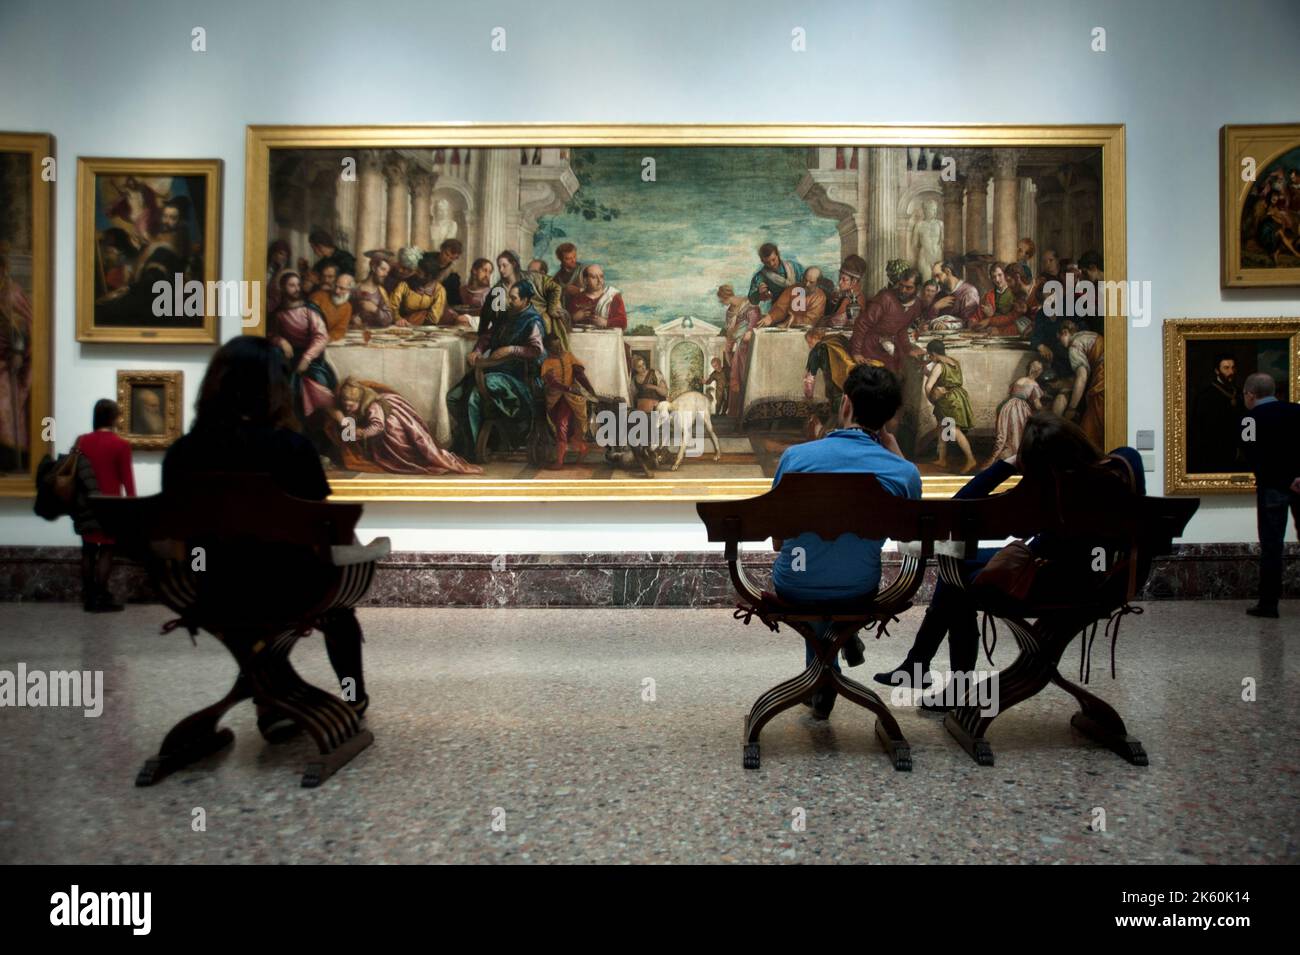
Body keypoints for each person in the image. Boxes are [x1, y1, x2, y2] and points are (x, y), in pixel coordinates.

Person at [162, 336, 370, 731]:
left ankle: (268, 697)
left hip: (208, 590)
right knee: (338, 609)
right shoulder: (291, 449)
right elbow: (323, 527)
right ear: (275, 388)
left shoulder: (184, 453)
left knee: (247, 612)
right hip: (292, 588)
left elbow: (178, 533)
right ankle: (351, 695)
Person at [875, 412, 1146, 698]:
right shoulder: (1123, 463)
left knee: (956, 577)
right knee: (955, 566)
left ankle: (934, 673)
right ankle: (922, 665)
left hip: (1053, 580)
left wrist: (1008, 464)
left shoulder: (1042, 492)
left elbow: (959, 506)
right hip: (1099, 579)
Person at [771, 364, 922, 717]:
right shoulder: (903, 473)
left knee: (813, 569)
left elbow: (779, 541)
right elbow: (909, 533)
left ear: (845, 404)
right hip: (859, 587)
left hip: (797, 583)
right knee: (840, 575)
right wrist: (896, 454)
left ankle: (823, 678)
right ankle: (839, 646)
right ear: (888, 418)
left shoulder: (796, 458)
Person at [446, 280, 546, 461]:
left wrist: (511, 350)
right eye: (509, 297)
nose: (509, 301)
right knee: (453, 397)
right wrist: (477, 351)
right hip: (493, 370)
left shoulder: (533, 321)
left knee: (475, 397)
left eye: (513, 298)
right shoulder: (506, 315)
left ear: (525, 300)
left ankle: (475, 449)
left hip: (518, 376)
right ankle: (470, 442)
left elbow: (536, 351)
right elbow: (487, 336)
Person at [328, 377, 483, 476]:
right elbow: (347, 431)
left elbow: (378, 426)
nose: (348, 409)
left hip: (391, 432)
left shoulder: (373, 407)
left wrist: (362, 433)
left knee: (405, 456)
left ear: (360, 400)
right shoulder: (356, 408)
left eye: (351, 406)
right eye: (345, 406)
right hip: (385, 425)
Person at [1239, 372, 1300, 618]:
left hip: (1272, 487)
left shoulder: (1249, 420)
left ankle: (1268, 603)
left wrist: (1285, 479)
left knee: (1271, 546)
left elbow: (1250, 455)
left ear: (1251, 395)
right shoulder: (1297, 411)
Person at [75, 399, 136, 613]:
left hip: (84, 504)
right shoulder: (121, 445)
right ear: (113, 418)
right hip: (110, 506)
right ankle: (101, 597)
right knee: (107, 550)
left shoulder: (81, 441)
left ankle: (88, 596)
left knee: (88, 550)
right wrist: (132, 509)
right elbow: (128, 482)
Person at [540, 332, 596, 468]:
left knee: (563, 424)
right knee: (563, 425)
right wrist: (569, 389)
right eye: (554, 347)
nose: (558, 349)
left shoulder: (569, 356)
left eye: (559, 345)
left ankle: (559, 461)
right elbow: (552, 383)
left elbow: (579, 374)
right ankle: (582, 449)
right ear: (548, 349)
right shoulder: (547, 363)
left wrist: (590, 390)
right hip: (555, 398)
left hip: (572, 399)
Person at [922, 338, 977, 473]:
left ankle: (971, 459)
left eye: (930, 355)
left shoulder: (939, 366)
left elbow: (928, 386)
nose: (930, 358)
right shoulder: (954, 362)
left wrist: (932, 400)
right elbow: (947, 378)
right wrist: (928, 372)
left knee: (953, 429)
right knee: (943, 428)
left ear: (933, 354)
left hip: (948, 401)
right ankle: (942, 459)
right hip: (958, 396)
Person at [1190, 354, 1242, 473]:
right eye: (1226, 368)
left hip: (1237, 454)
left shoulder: (1240, 393)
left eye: (1233, 368)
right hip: (1213, 454)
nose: (1231, 371)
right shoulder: (1205, 396)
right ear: (1217, 370)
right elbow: (1199, 430)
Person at [987, 359, 1044, 465]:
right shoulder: (1034, 384)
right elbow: (1037, 404)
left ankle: (1003, 457)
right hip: (1019, 409)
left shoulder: (1019, 380)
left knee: (1008, 433)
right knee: (1019, 432)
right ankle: (1016, 457)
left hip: (1008, 406)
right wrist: (1046, 411)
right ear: (1038, 372)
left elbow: (1011, 393)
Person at [389, 252, 447, 326]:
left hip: (425, 328)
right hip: (403, 325)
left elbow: (434, 318)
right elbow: (392, 306)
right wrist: (398, 319)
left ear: (429, 277)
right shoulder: (405, 285)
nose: (416, 274)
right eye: (417, 271)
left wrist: (417, 320)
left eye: (419, 273)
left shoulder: (439, 290)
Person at [565, 264, 627, 329]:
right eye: (594, 277)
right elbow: (564, 323)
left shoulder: (613, 296)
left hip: (606, 337)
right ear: (585, 280)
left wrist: (606, 322)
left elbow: (623, 322)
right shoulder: (577, 298)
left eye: (601, 276)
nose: (599, 280)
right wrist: (574, 318)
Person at [748, 242, 804, 311]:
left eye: (773, 260)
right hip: (779, 309)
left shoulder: (794, 267)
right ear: (762, 261)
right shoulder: (760, 277)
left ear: (778, 255)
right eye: (767, 262)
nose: (771, 264)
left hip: (801, 305)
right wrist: (759, 294)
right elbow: (752, 300)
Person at [354, 252, 395, 328]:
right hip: (357, 333)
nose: (385, 274)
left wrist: (375, 309)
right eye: (383, 269)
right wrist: (352, 318)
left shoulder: (382, 292)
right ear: (373, 268)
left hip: (377, 334)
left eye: (387, 272)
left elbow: (389, 319)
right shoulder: (356, 289)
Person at [310, 270, 355, 341]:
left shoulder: (348, 307)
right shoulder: (318, 296)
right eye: (336, 286)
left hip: (325, 341)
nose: (337, 291)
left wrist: (326, 338)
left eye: (341, 288)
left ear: (349, 291)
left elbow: (340, 330)